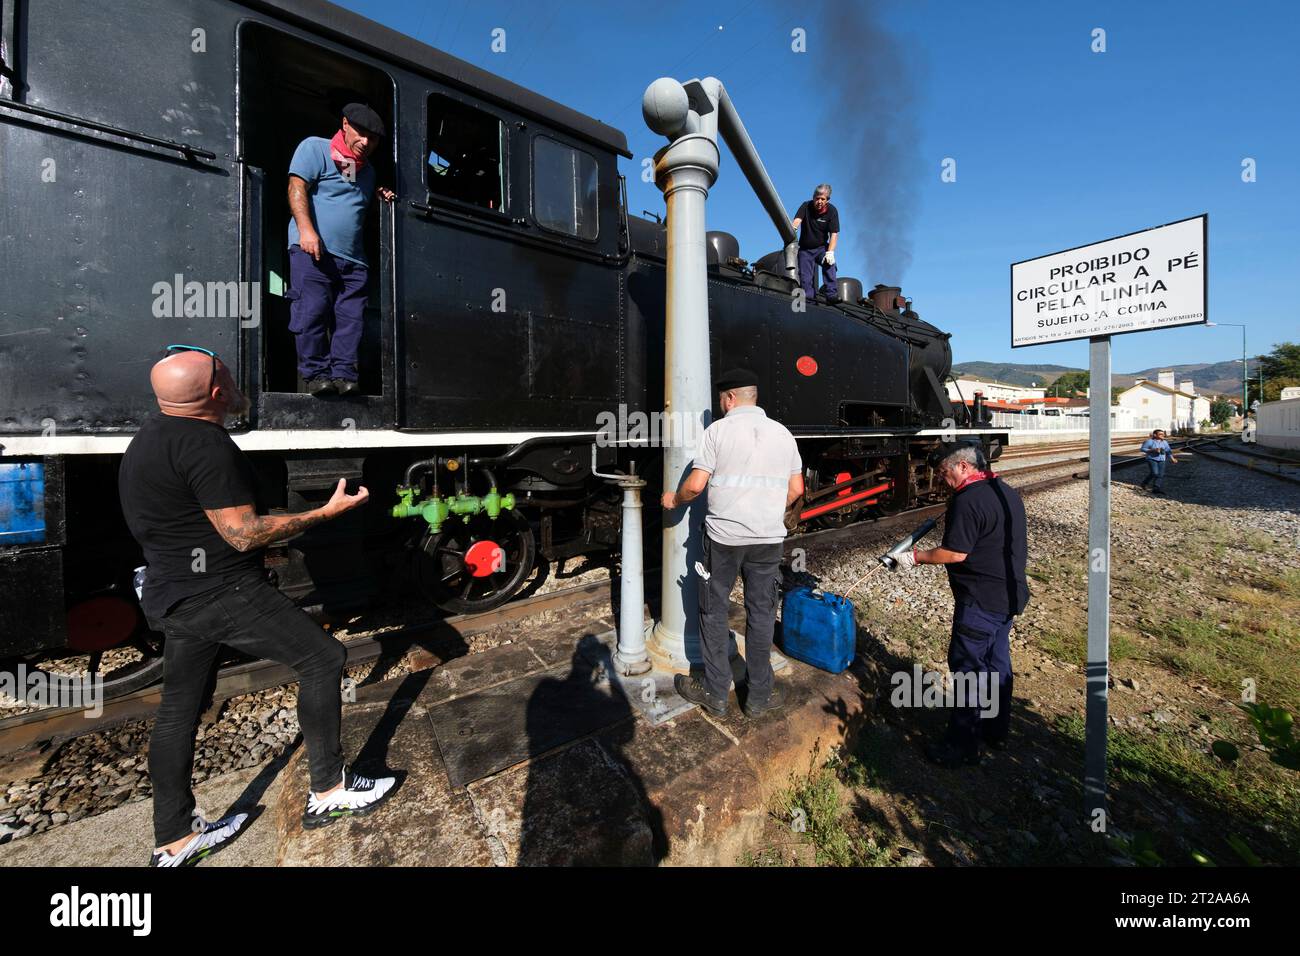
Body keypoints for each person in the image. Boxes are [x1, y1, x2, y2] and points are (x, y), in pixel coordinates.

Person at [119, 345, 396, 867]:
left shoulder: (148, 438)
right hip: (221, 591)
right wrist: (326, 512)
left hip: (173, 593)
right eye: (226, 371)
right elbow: (243, 535)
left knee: (180, 707)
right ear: (217, 391)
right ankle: (330, 791)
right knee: (323, 660)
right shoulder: (206, 444)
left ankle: (175, 837)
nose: (236, 376)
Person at [661, 368, 805, 718]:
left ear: (729, 399)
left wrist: (674, 501)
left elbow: (695, 486)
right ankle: (758, 697)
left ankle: (714, 691)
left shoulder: (718, 431)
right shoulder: (783, 434)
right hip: (768, 540)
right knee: (761, 613)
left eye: (722, 401)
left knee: (713, 611)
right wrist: (766, 509)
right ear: (753, 397)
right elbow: (797, 490)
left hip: (724, 540)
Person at [884, 441, 1029, 767]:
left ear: (963, 466)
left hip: (979, 602)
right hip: (1007, 597)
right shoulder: (1004, 490)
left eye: (943, 473)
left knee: (968, 672)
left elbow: (955, 553)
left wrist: (915, 557)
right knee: (997, 665)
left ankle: (962, 746)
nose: (941, 480)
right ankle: (996, 731)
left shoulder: (968, 500)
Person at [286, 103, 396, 397]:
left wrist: (379, 195)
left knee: (351, 322)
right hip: (314, 251)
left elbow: (352, 200)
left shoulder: (368, 171)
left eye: (372, 139)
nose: (365, 143)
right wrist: (306, 230)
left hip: (354, 261)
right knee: (312, 313)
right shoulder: (315, 148)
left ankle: (344, 375)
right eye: (361, 134)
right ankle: (315, 375)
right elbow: (296, 187)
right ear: (345, 124)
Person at [791, 183, 840, 303]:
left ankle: (831, 295)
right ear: (813, 197)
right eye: (817, 198)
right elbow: (797, 219)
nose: (819, 201)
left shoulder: (832, 211)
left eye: (822, 199)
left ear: (827, 200)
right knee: (805, 277)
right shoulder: (806, 206)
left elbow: (834, 234)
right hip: (805, 249)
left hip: (821, 248)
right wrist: (794, 227)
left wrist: (830, 252)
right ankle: (809, 299)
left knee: (830, 264)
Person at [1139, 428, 1177, 494]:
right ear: (1155, 435)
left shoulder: (1165, 442)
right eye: (1160, 434)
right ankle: (1144, 483)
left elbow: (1168, 451)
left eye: (1163, 434)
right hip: (1152, 459)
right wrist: (1153, 450)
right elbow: (1142, 449)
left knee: (1161, 474)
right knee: (1154, 473)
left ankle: (1156, 488)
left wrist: (1172, 458)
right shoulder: (1149, 441)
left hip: (1162, 459)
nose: (1163, 435)